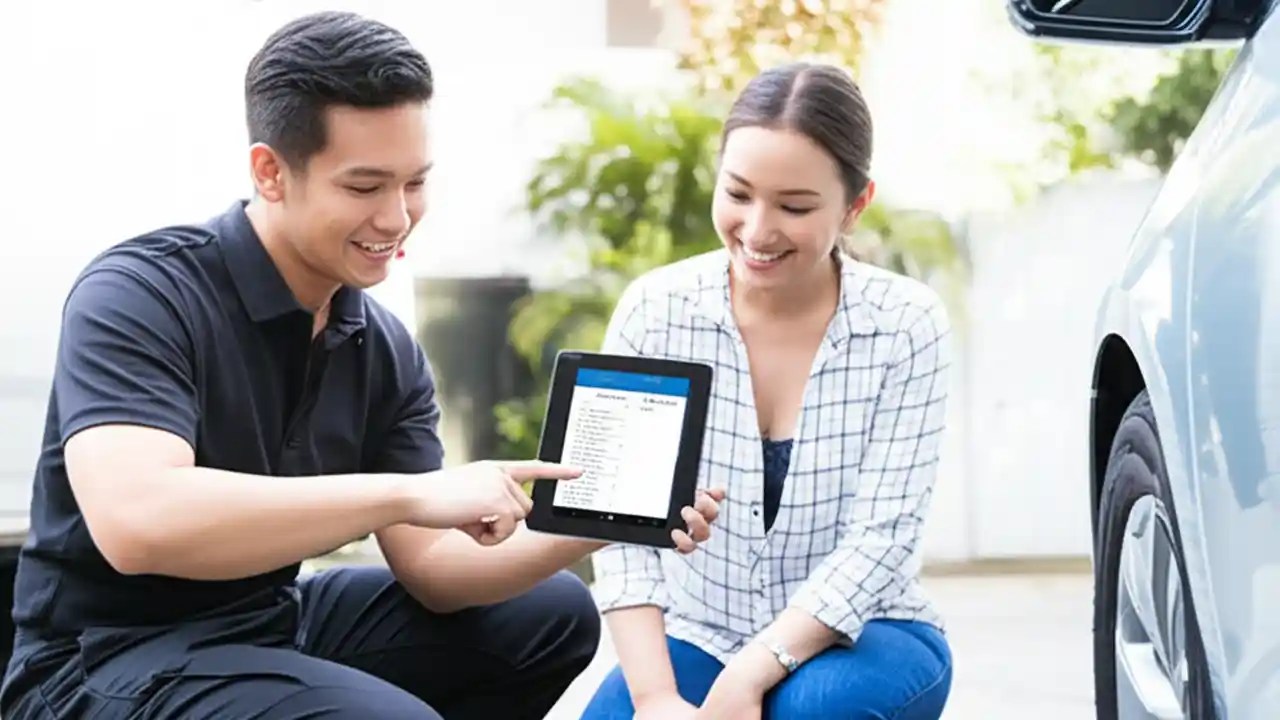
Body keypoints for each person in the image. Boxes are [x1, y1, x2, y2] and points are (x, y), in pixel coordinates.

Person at [0, 11, 724, 720]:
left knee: (550, 615)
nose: (397, 218)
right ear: (271, 172)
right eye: (364, 186)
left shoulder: (380, 346)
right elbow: (139, 524)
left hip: (264, 624)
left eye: (414, 182)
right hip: (99, 663)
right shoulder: (140, 293)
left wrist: (620, 518)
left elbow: (438, 572)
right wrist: (406, 494)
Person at [579, 62, 954, 719]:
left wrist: (750, 677)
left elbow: (882, 539)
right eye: (739, 193)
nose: (756, 230)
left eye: (795, 206)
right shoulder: (654, 312)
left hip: (868, 628)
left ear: (854, 205)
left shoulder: (906, 324)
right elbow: (616, 527)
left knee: (809, 712)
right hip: (699, 630)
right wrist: (657, 697)